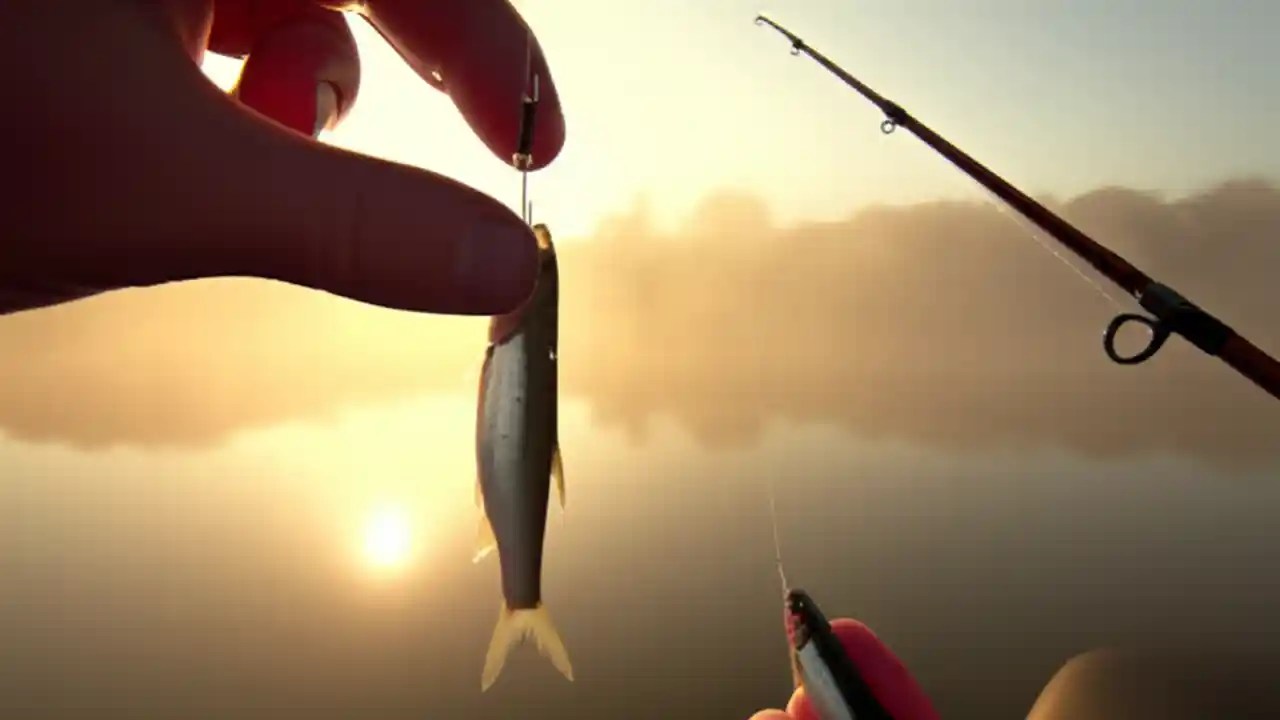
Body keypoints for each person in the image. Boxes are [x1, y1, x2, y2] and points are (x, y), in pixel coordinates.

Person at [3, 2, 935, 717]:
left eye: (540, 270)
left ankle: (518, 602)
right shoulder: (517, 328)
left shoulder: (514, 323)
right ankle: (519, 600)